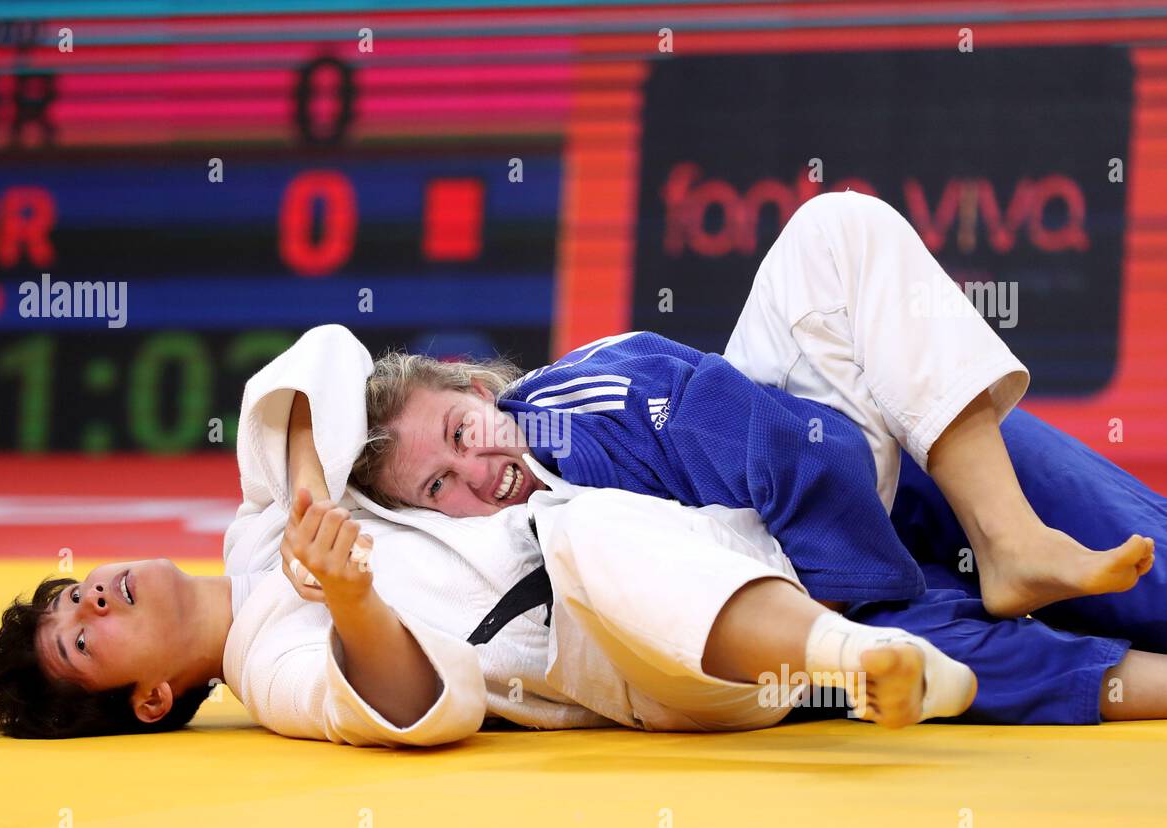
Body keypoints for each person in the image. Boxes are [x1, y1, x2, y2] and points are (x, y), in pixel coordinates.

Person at [352, 190, 1167, 725]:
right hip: (789, 576)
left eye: (461, 433)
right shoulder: (525, 550)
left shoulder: (572, 407)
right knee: (932, 655)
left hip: (825, 471)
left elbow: (755, 437)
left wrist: (877, 606)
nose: (479, 468)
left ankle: (1006, 539)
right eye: (438, 485)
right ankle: (995, 557)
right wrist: (870, 634)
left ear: (476, 387)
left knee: (836, 231)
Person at [0, 324, 984, 744]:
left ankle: (993, 532)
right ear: (150, 697)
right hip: (639, 643)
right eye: (78, 638)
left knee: (831, 269)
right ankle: (856, 653)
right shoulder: (268, 665)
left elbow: (321, 352)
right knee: (584, 533)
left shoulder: (259, 522)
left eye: (69, 593)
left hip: (707, 519)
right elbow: (414, 711)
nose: (86, 598)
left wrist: (311, 498)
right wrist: (350, 592)